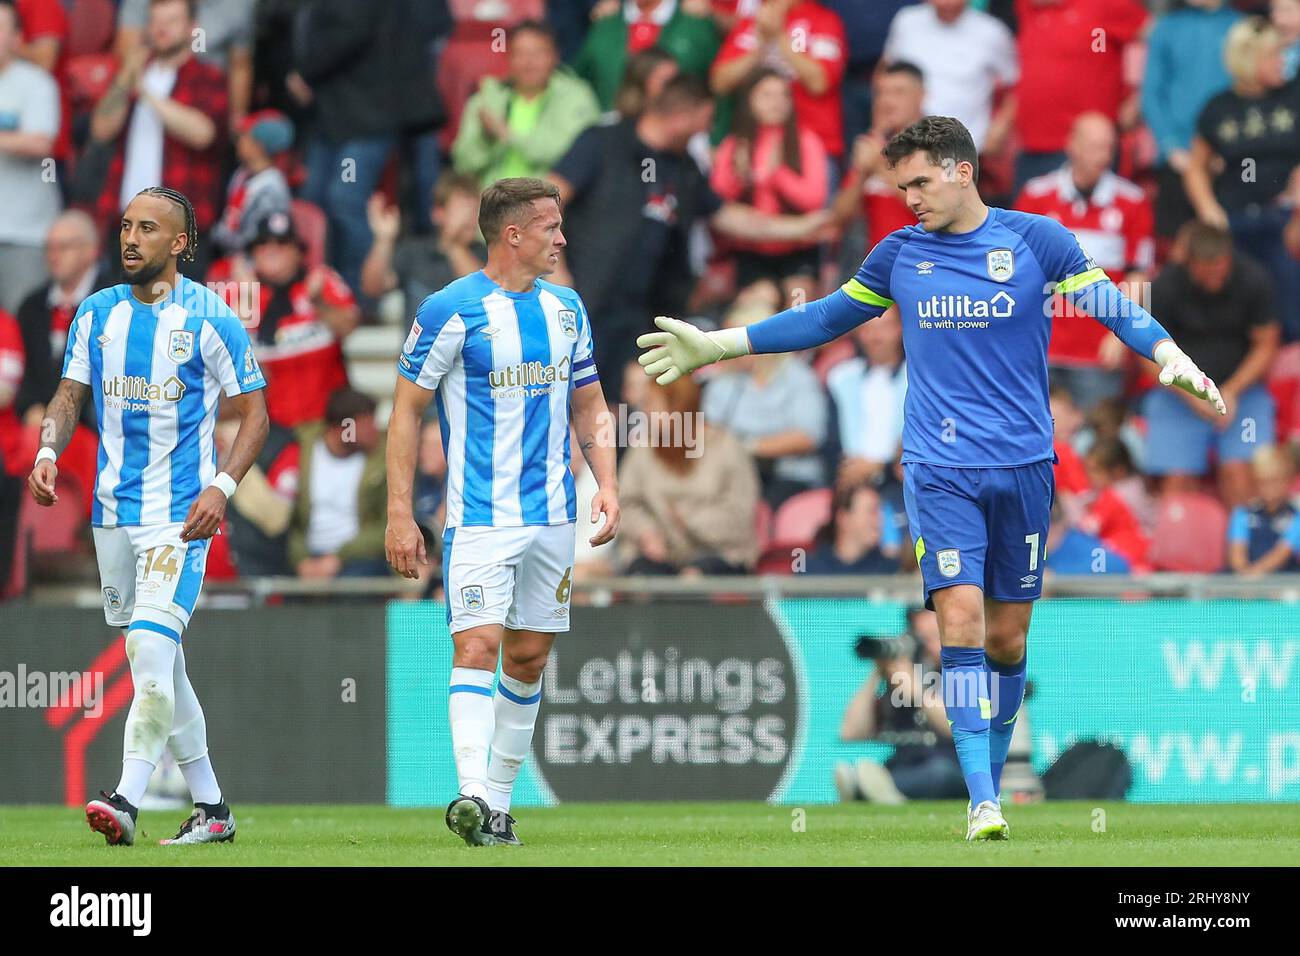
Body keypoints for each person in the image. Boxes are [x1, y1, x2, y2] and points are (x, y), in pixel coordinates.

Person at [636, 115, 1227, 840]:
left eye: (919, 181)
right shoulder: (897, 256)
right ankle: (984, 800)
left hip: (1025, 469)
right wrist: (720, 344)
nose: (908, 196)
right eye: (900, 184)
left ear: (962, 170)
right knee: (961, 624)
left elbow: (1110, 306)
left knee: (1008, 639)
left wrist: (1168, 354)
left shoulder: (1036, 240)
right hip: (938, 469)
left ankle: (995, 773)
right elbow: (823, 320)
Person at [26, 186, 269, 846]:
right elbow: (69, 393)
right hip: (113, 516)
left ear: (181, 244)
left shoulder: (210, 317)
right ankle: (214, 811)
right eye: (127, 226)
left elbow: (256, 412)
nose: (132, 238)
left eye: (150, 229)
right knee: (165, 662)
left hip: (179, 519)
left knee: (147, 646)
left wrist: (221, 486)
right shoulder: (96, 313)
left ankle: (127, 799)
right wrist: (49, 445)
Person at [384, 177, 620, 847]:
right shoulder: (449, 309)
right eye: (550, 227)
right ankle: (471, 794)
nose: (561, 238)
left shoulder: (566, 309)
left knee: (527, 658)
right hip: (479, 517)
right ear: (512, 234)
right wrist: (401, 513)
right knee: (477, 645)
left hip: (552, 517)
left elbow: (590, 405)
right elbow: (405, 412)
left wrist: (608, 481)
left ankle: (499, 803)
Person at [550, 74, 830, 402]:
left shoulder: (685, 169)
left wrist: (805, 227)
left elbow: (730, 217)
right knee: (570, 402)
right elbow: (549, 197)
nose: (707, 131)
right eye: (706, 120)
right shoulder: (603, 142)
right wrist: (557, 271)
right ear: (684, 115)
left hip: (644, 316)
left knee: (626, 409)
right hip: (584, 301)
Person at [1015, 112, 1155, 412]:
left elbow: (1138, 276)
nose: (1103, 157)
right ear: (1072, 146)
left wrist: (1121, 333)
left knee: (1095, 441)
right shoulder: (1036, 196)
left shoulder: (1133, 202)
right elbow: (1015, 272)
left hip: (1098, 354)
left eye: (1108, 148)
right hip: (1041, 350)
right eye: (1094, 147)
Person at [1141, 222, 1281, 507]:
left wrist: (1229, 391)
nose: (1216, 276)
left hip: (1243, 393)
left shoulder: (1253, 279)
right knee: (1177, 482)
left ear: (1229, 258)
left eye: (1220, 267)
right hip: (1179, 395)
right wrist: (1192, 394)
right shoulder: (1165, 286)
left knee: (1241, 473)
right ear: (1190, 263)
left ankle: (1246, 545)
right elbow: (1147, 356)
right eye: (1207, 270)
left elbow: (1266, 344)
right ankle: (1182, 549)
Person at [1184, 16, 1300, 340]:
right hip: (1234, 221)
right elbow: (1196, 168)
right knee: (1234, 307)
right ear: (1250, 59)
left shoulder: (1294, 98)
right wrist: (1210, 210)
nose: (1283, 62)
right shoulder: (1219, 108)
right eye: (1275, 55)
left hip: (1285, 218)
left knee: (1290, 303)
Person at [216, 212, 361, 429]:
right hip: (264, 428)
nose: (273, 250)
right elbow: (215, 361)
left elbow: (349, 326)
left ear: (298, 251)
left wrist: (318, 302)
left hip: (325, 423)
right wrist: (244, 300)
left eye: (283, 243)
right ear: (252, 253)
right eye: (263, 243)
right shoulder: (234, 292)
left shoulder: (321, 282)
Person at [618, 372, 760, 575]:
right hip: (659, 556)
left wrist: (687, 521)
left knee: (692, 582)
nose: (644, 412)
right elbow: (626, 502)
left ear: (677, 406)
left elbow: (738, 517)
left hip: (719, 555)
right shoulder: (642, 449)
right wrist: (646, 532)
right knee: (643, 582)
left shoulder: (726, 448)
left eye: (651, 404)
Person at [710, 67, 828, 304]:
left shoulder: (806, 142)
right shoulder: (734, 145)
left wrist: (778, 175)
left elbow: (815, 198)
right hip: (750, 249)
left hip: (798, 249)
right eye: (766, 95)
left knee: (799, 306)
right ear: (749, 101)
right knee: (760, 302)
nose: (777, 102)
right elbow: (716, 202)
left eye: (783, 95)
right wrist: (739, 178)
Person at [700, 300, 828, 507]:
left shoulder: (798, 376)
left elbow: (808, 437)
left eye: (734, 338)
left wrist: (748, 447)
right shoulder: (723, 380)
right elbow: (708, 432)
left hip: (789, 477)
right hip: (732, 474)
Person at [1011, 0, 1147, 192]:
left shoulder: (1106, 5)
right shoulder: (1027, 7)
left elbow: (1159, 39)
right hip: (1031, 146)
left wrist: (1139, 98)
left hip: (1087, 150)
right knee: (1022, 220)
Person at [837, 609, 967, 803]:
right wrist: (877, 672)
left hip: (950, 763)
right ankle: (876, 789)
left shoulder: (965, 671)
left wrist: (918, 693)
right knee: (888, 773)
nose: (928, 645)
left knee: (940, 773)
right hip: (904, 763)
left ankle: (868, 789)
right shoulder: (900, 678)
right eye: (922, 638)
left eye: (935, 636)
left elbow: (960, 728)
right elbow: (850, 733)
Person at [451, 20, 600, 188]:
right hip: (494, 203)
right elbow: (463, 164)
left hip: (550, 203)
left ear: (555, 56)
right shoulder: (487, 98)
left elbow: (570, 156)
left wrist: (505, 133)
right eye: (520, 53)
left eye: (537, 53)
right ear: (508, 58)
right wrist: (486, 139)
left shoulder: (575, 97)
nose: (529, 63)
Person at [1141, 0, 1241, 244]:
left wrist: (1235, 150)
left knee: (1230, 247)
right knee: (1176, 248)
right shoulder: (1166, 28)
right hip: (1178, 159)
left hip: (1229, 162)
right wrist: (1170, 146)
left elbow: (1249, 92)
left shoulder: (1240, 27)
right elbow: (1151, 96)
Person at [710, 0, 848, 159]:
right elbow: (720, 82)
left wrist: (780, 36)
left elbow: (819, 83)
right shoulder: (754, 23)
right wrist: (761, 46)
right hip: (757, 147)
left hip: (813, 146)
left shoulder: (823, 20)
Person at [881, 0, 1018, 156]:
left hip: (965, 151)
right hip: (910, 147)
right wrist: (879, 131)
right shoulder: (906, 21)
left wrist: (999, 128)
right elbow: (885, 76)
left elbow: (1016, 85)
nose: (946, 4)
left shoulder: (992, 32)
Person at [14, 210, 112, 429]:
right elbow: (24, 371)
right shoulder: (32, 307)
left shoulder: (115, 303)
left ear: (91, 251)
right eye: (49, 247)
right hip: (36, 424)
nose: (53, 255)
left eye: (64, 247)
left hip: (94, 428)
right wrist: (32, 407)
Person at [288, 387, 388, 579]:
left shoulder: (381, 461)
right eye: (367, 424)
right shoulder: (299, 452)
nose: (375, 430)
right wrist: (301, 561)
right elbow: (287, 519)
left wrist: (339, 557)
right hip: (304, 557)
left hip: (358, 559)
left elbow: (386, 525)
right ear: (345, 427)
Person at [0, 0, 61, 314]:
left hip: (25, 235)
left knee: (20, 329)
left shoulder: (36, 82)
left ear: (17, 38)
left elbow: (41, 143)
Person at [361, 172, 485, 319]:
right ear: (438, 213)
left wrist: (454, 246)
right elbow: (372, 288)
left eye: (474, 210)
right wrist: (383, 240)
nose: (469, 217)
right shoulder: (414, 252)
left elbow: (482, 295)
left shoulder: (487, 253)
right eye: (461, 208)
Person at [829, 61, 924, 249]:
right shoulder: (875, 146)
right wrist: (862, 171)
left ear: (921, 96)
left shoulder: (937, 146)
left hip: (924, 263)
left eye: (898, 92)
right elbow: (839, 218)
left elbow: (935, 207)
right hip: (879, 268)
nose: (887, 101)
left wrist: (879, 167)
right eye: (881, 92)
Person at [575, 0, 720, 112]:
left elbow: (719, 86)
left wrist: (715, 140)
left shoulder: (695, 23)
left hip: (681, 136)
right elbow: (579, 82)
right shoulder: (605, 25)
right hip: (612, 136)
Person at [210, 109, 294, 255]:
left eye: (244, 136)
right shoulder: (241, 174)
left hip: (252, 261)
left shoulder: (271, 187)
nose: (238, 140)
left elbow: (259, 239)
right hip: (227, 251)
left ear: (258, 146)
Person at [1227, 445, 1300, 574]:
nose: (1270, 488)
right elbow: (1237, 556)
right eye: (1263, 481)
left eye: (1275, 480)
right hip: (1243, 582)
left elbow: (1281, 554)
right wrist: (1244, 576)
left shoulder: (1296, 517)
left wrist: (1254, 576)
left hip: (1283, 581)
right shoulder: (1242, 514)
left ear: (1288, 480)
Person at [804, 481, 898, 574]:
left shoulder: (891, 571)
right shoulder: (811, 570)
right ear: (843, 518)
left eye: (880, 512)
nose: (880, 519)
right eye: (872, 511)